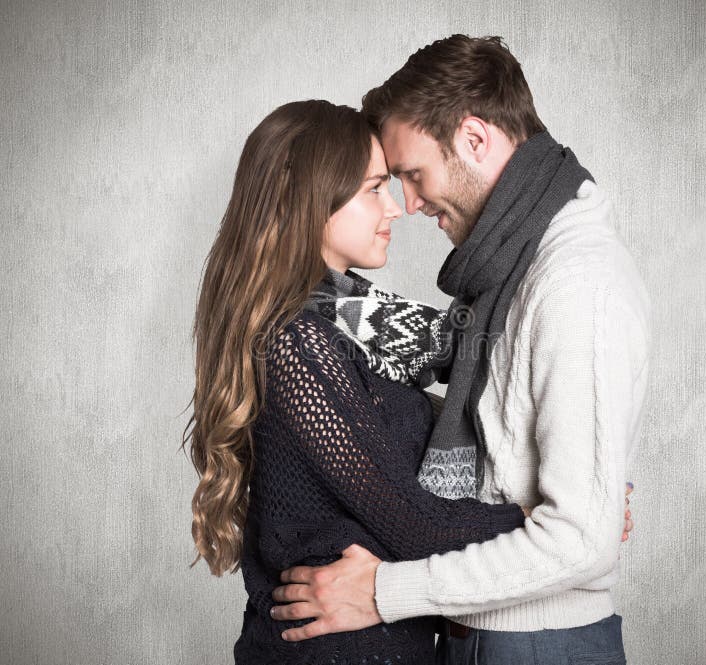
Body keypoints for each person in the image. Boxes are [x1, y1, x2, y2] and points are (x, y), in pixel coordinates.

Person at [270, 35, 652, 665]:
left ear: (475, 139)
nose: (408, 204)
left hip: (536, 644)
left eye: (411, 176)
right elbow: (375, 346)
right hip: (475, 633)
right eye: (382, 186)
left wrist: (383, 592)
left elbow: (581, 541)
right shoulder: (507, 280)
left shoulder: (574, 283)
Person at [183, 98, 565, 664]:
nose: (394, 208)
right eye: (372, 189)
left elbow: (388, 505)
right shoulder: (299, 344)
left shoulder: (353, 333)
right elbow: (411, 523)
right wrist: (544, 519)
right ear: (309, 202)